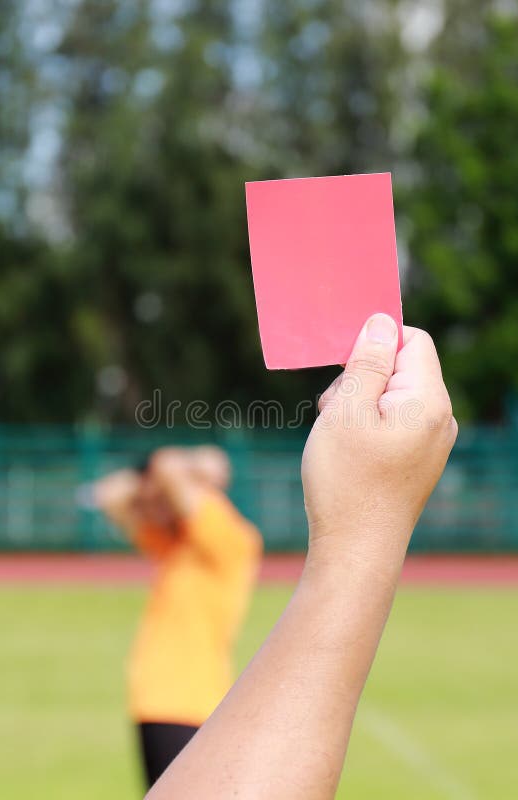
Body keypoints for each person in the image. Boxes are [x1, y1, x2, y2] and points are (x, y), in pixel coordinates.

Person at [146, 313, 457, 799]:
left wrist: (359, 534)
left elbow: (160, 470)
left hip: (184, 696)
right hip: (173, 695)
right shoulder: (187, 537)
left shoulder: (223, 532)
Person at [93, 445, 262, 790]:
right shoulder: (178, 545)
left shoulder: (224, 533)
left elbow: (167, 466)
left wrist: (191, 467)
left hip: (185, 702)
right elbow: (108, 493)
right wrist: (155, 483)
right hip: (165, 703)